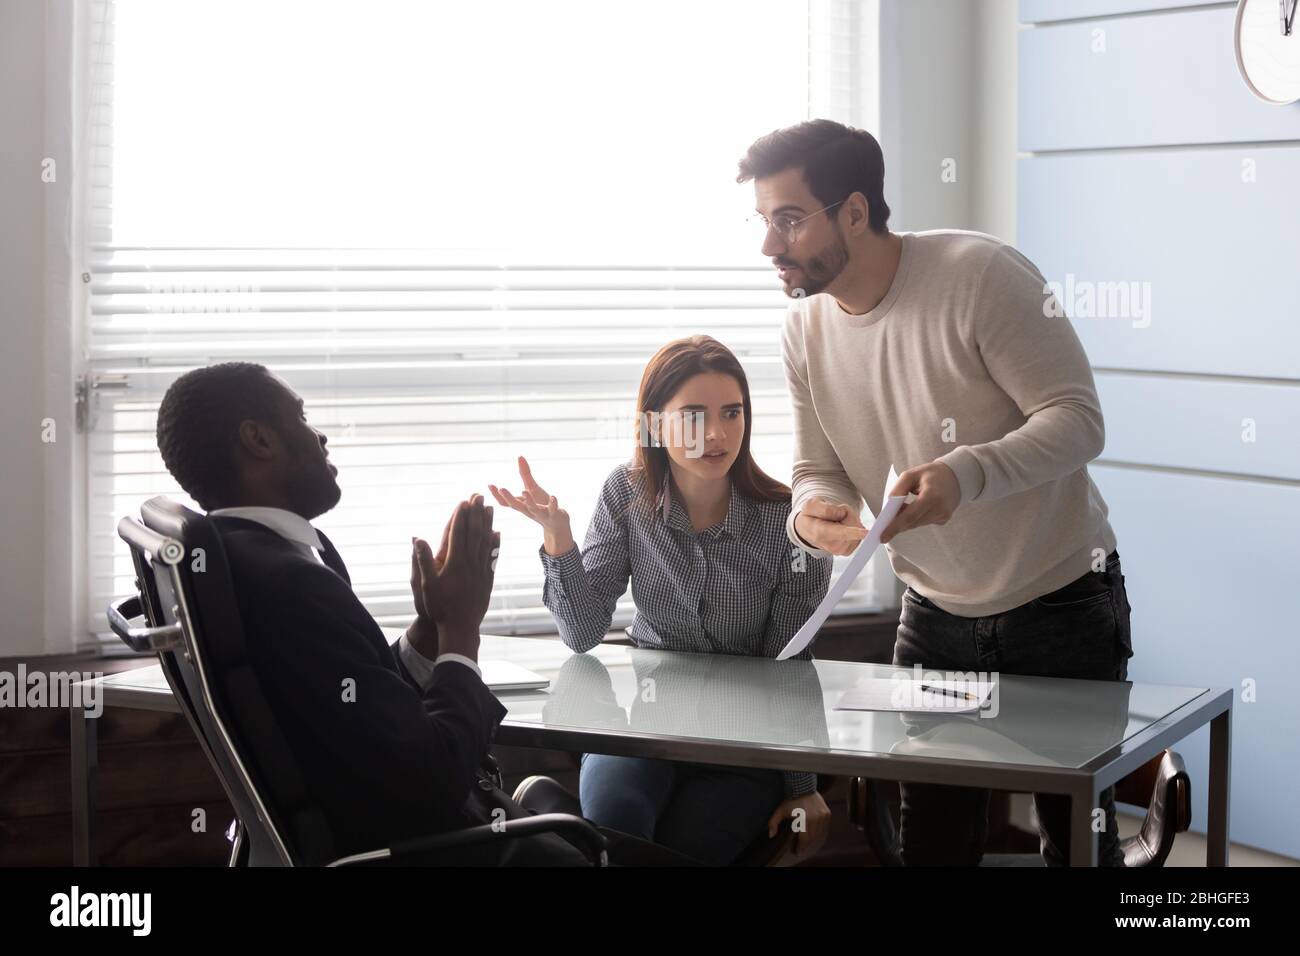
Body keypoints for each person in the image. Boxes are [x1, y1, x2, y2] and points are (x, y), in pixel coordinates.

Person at [737, 119, 1134, 866]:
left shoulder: (980, 276)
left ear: (854, 211)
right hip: (934, 618)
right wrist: (809, 515)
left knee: (1077, 841)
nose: (768, 246)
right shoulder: (804, 331)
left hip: (1060, 602)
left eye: (788, 219)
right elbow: (814, 468)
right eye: (762, 221)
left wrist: (964, 474)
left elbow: (1079, 420)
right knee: (934, 846)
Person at [154, 361, 692, 866]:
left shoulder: (246, 558)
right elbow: (433, 782)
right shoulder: (289, 583)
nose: (318, 435)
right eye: (299, 416)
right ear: (258, 439)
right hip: (440, 847)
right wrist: (462, 627)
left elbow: (361, 702)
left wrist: (429, 629)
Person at [489, 335, 834, 865]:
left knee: (665, 854)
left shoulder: (790, 521)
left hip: (740, 751)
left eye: (732, 413)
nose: (718, 434)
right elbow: (582, 633)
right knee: (617, 823)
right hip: (645, 733)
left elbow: (787, 667)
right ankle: (573, 829)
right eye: (694, 416)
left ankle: (551, 815)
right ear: (654, 423)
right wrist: (558, 537)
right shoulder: (625, 493)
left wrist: (801, 786)